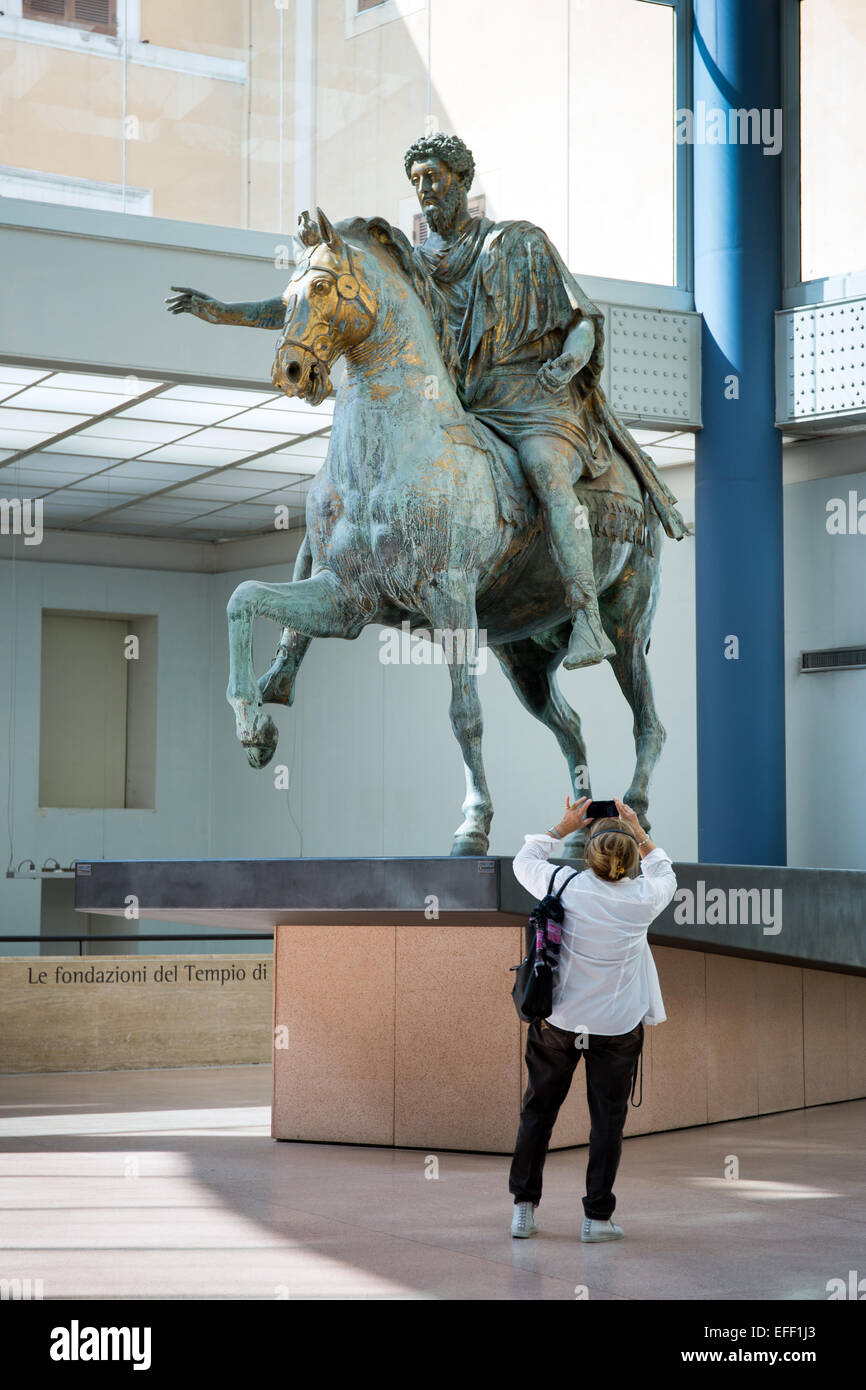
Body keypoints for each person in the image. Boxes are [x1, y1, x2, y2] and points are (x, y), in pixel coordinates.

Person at [403, 131, 688, 671]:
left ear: (462, 180)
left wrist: (573, 360)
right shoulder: (420, 266)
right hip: (472, 408)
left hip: (539, 402)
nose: (425, 191)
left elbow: (580, 318)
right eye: (416, 182)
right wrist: (229, 313)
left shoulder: (519, 243)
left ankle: (585, 616)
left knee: (543, 470)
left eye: (433, 178)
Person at [508, 794, 677, 1243]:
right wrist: (637, 829)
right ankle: (597, 1220)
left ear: (589, 855)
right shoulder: (645, 898)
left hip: (559, 1023)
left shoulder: (565, 885)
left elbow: (524, 859)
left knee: (538, 1112)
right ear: (629, 860)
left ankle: (523, 1211)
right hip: (617, 1030)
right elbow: (665, 870)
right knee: (607, 1124)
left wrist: (562, 826)